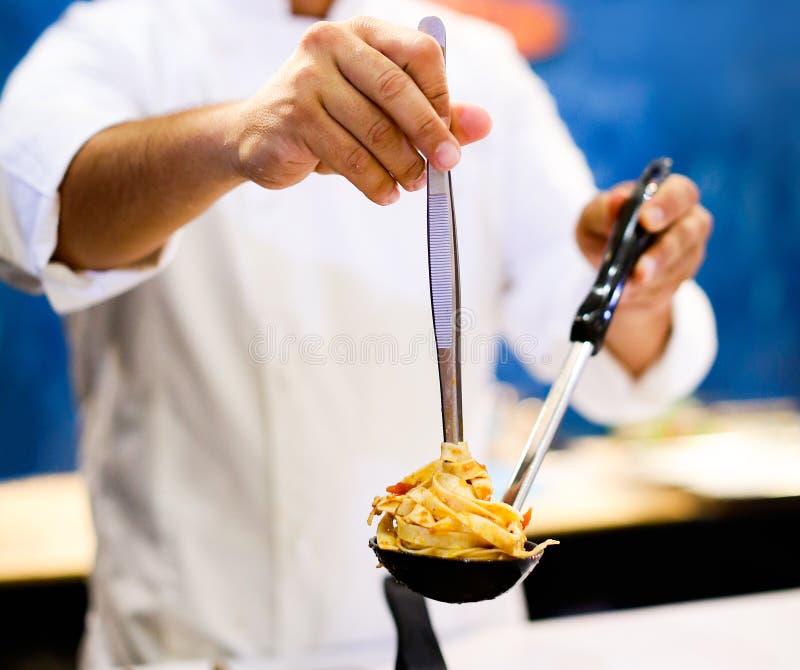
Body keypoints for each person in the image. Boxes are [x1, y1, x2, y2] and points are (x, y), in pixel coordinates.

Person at [0, 0, 716, 666]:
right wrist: (234, 136)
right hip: (202, 644)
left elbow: (593, 341)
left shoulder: (479, 63)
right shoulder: (120, 38)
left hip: (459, 635)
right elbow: (38, 218)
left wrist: (638, 283)